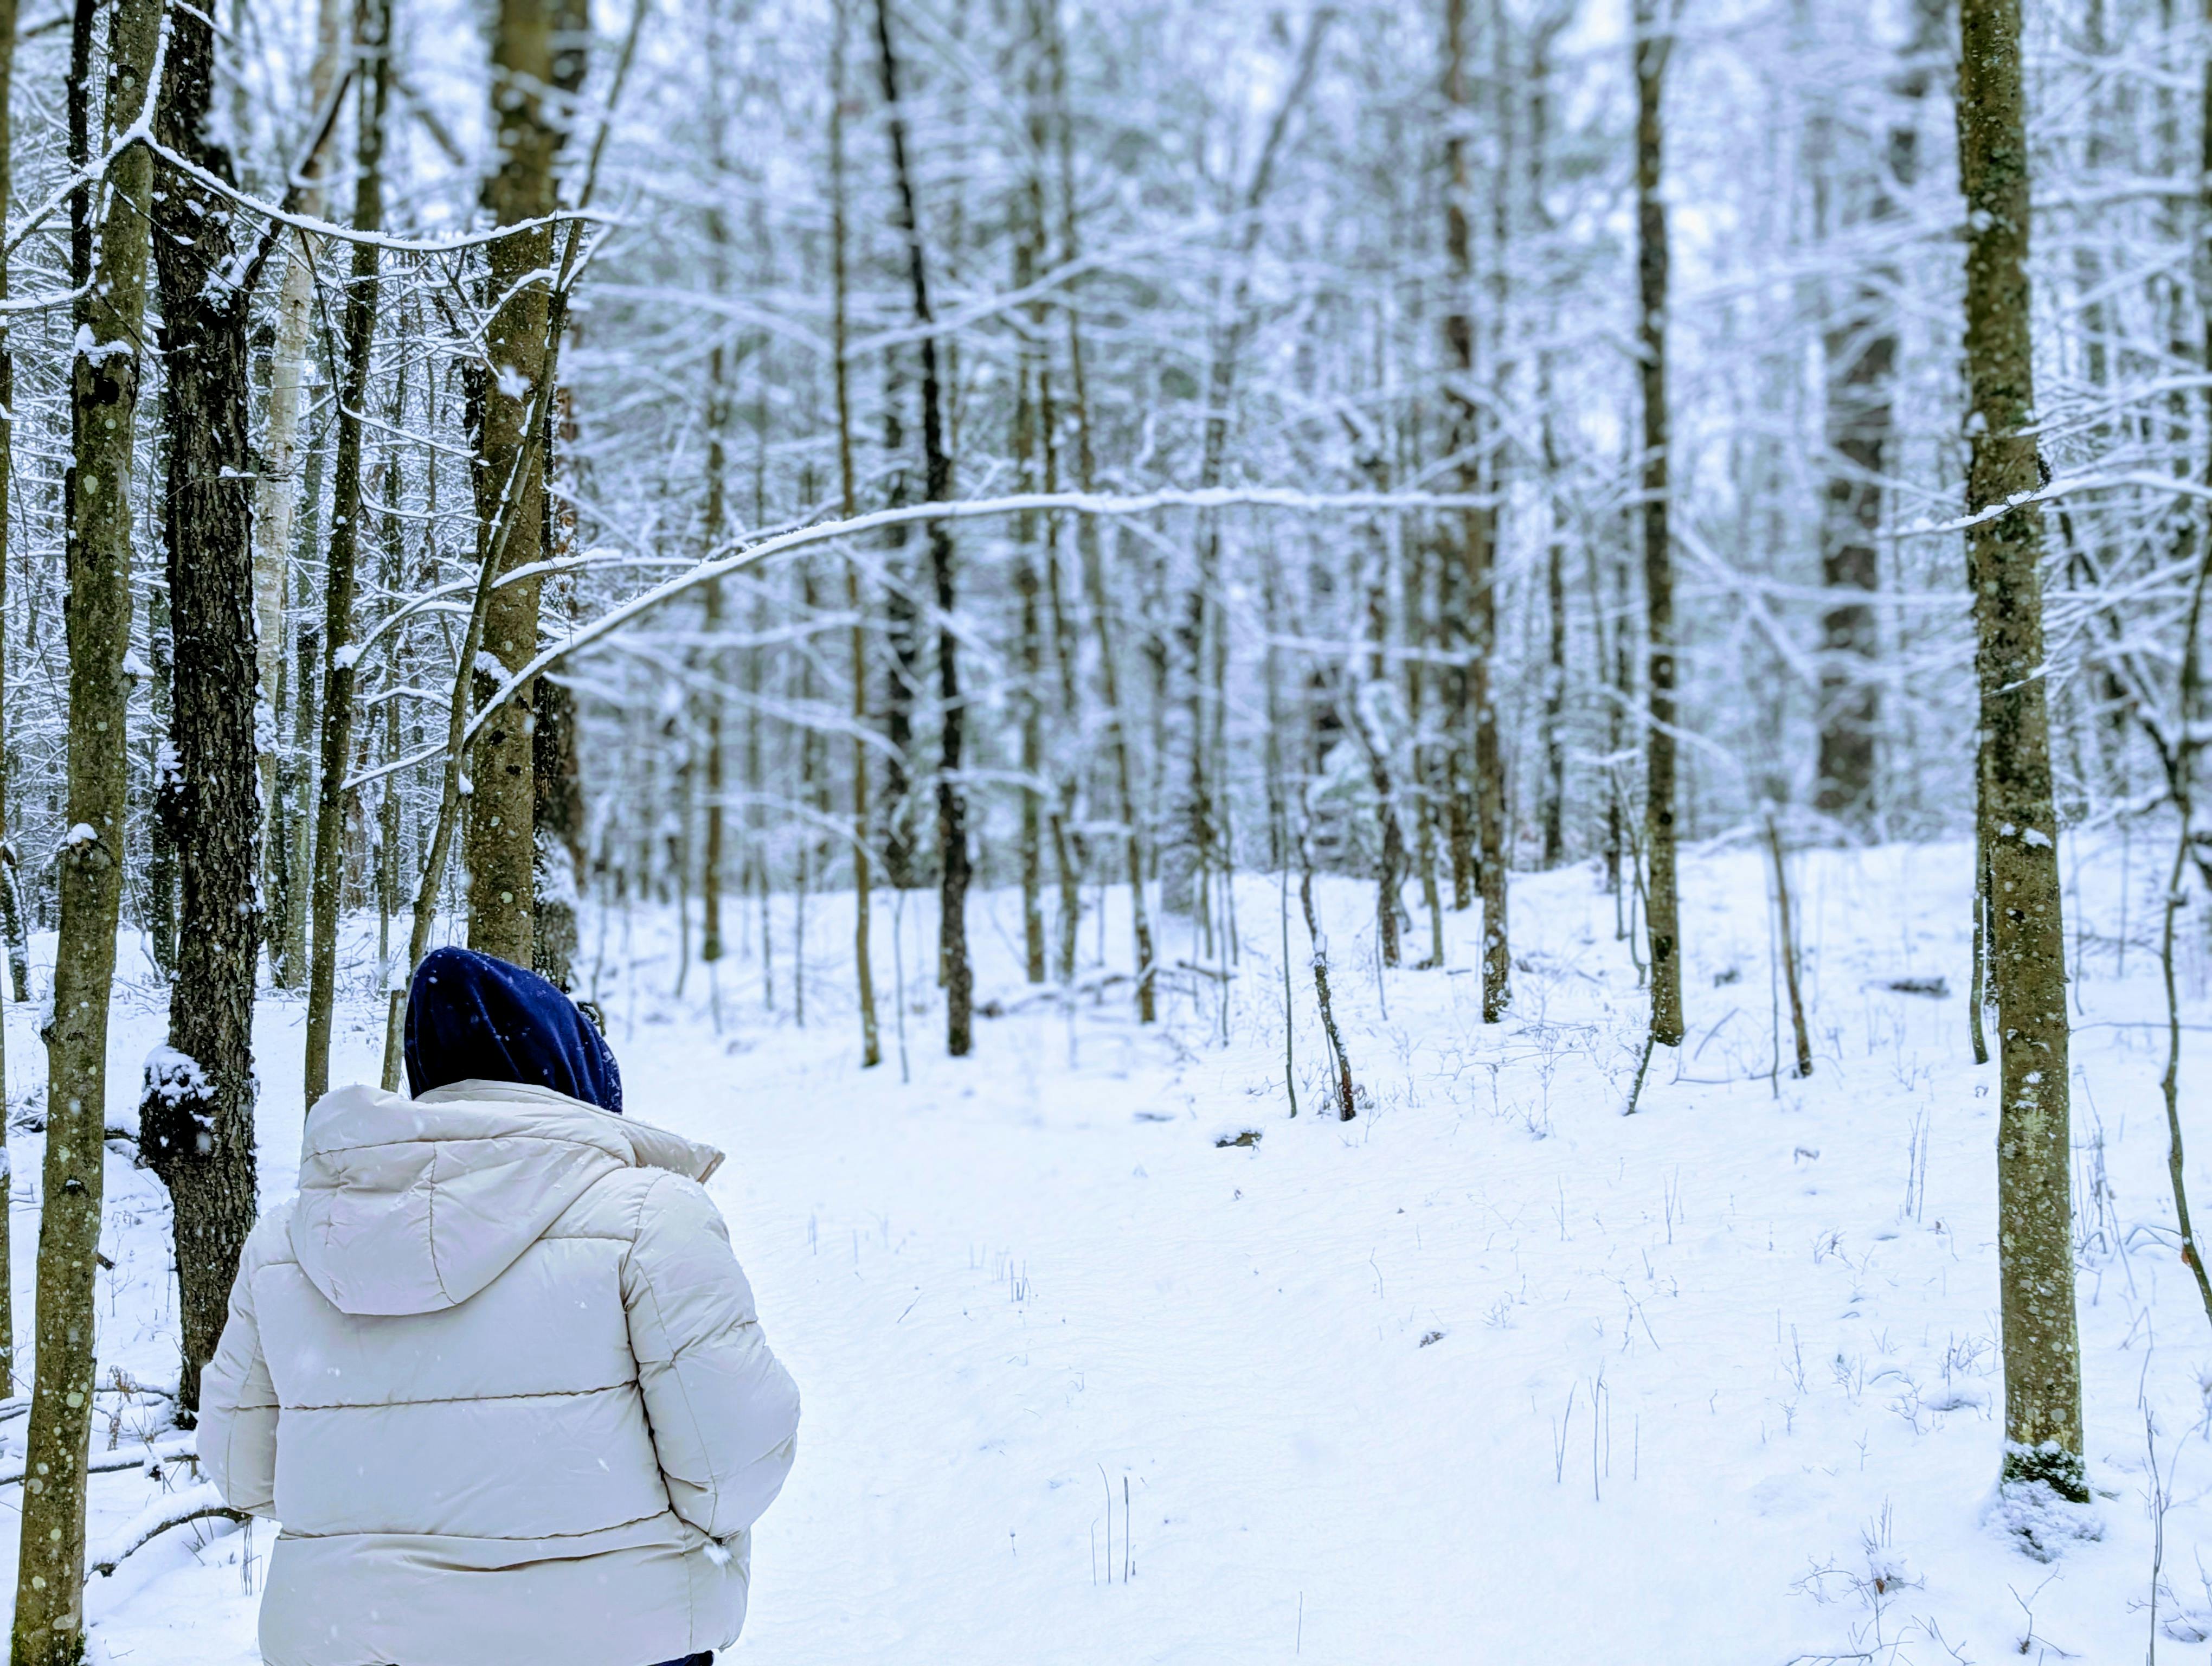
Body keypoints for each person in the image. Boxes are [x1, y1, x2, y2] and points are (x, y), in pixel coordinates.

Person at [201, 946, 801, 1666]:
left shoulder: (292, 1238)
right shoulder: (648, 1215)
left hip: (354, 1644)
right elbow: (733, 1463)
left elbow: (240, 1468)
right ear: (577, 1079)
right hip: (611, 1638)